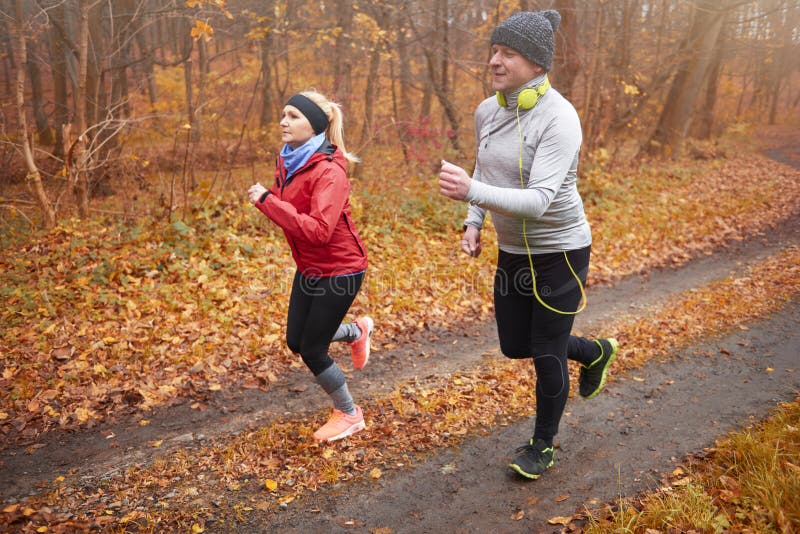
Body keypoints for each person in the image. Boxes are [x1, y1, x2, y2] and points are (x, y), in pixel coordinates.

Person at [438, 10, 619, 479]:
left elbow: (538, 201)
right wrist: (472, 221)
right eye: (494, 51)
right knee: (514, 344)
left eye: (508, 54)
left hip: (560, 250)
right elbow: (484, 170)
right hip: (514, 252)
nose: (494, 60)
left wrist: (470, 193)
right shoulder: (487, 110)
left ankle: (542, 446)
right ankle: (593, 351)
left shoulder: (559, 118)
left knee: (544, 350)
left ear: (537, 64)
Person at [248, 90, 373, 442]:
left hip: (342, 269)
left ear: (314, 125)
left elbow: (319, 231)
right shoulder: (289, 162)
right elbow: (293, 218)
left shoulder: (330, 173)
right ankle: (355, 332)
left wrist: (268, 201)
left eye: (293, 116)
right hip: (310, 267)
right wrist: (271, 201)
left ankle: (349, 414)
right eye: (283, 114)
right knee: (296, 341)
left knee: (313, 349)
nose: (283, 122)